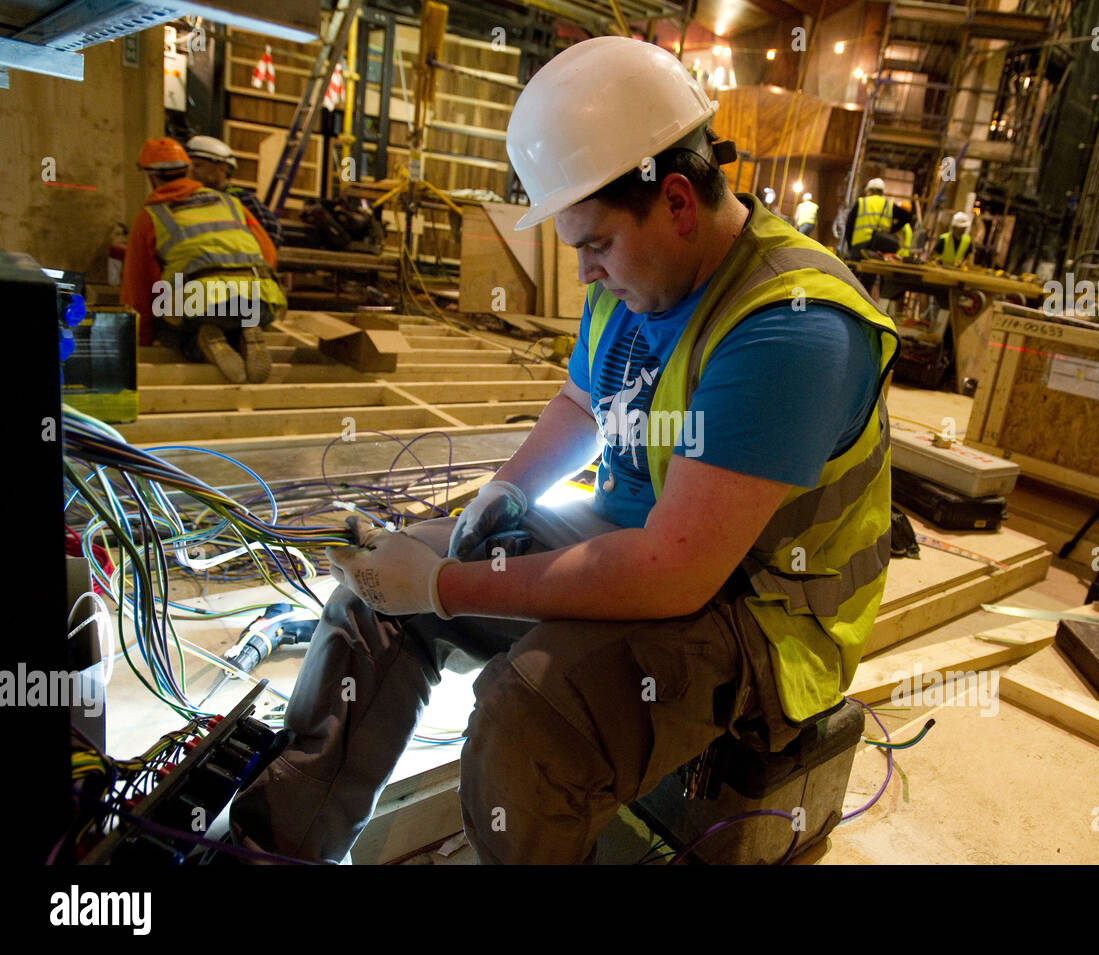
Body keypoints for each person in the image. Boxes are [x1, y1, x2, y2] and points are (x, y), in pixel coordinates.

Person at [229, 36, 899, 865]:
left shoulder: (792, 329)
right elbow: (583, 400)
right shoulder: (639, 269)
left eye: (594, 244)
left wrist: (444, 585)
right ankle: (273, 852)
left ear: (678, 203)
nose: (581, 272)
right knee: (375, 600)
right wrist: (506, 488)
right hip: (639, 539)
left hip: (758, 607)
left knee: (531, 718)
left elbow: (670, 571)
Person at [123, 138, 286, 383]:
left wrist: (142, 339)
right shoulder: (231, 203)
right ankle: (247, 332)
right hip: (258, 301)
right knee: (233, 318)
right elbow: (268, 252)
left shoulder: (151, 216)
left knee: (171, 332)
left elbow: (139, 286)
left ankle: (201, 346)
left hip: (202, 304)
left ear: (151, 177)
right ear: (188, 169)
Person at [185, 135, 284, 248]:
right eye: (189, 166)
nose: (191, 171)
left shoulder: (239, 197)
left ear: (222, 168)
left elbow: (273, 233)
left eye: (198, 165)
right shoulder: (187, 198)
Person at [845, 178, 913, 259]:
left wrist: (850, 246)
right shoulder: (889, 205)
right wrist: (892, 230)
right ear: (882, 192)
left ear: (869, 191)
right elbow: (907, 216)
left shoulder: (861, 202)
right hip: (880, 248)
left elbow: (849, 226)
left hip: (859, 246)